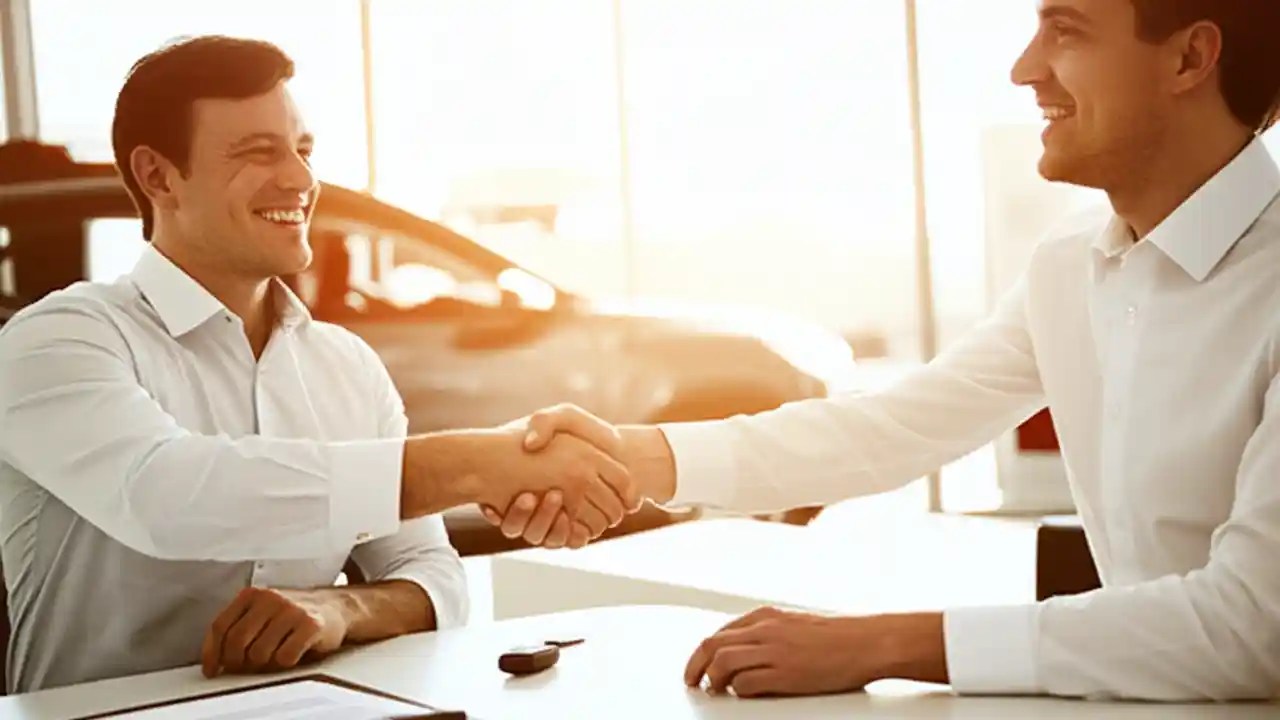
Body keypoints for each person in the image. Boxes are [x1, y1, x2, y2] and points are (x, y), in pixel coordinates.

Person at [488, 0, 1280, 701]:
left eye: (1066, 30)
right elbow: (893, 428)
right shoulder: (1070, 267)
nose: (1024, 68)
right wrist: (628, 460)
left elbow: (1252, 626)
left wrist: (881, 644)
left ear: (1189, 57)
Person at [0, 36, 638, 694]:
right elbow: (167, 496)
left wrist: (343, 607)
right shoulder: (57, 341)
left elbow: (435, 577)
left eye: (303, 151)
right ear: (160, 177)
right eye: (259, 153)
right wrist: (485, 462)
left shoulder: (347, 365)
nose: (302, 181)